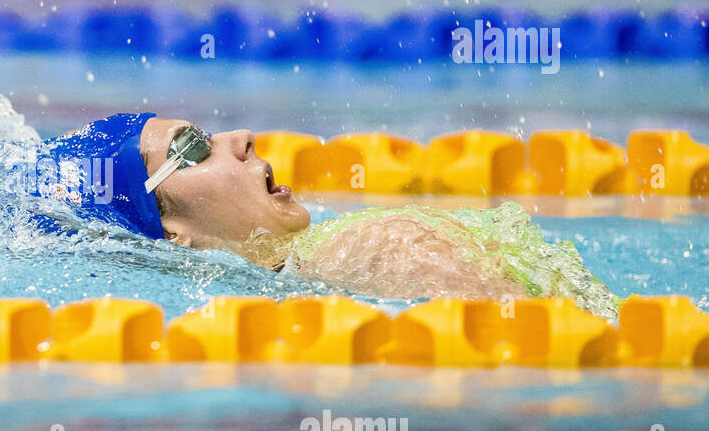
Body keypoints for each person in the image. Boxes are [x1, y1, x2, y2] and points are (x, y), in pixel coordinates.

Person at [36, 112, 619, 318]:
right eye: (191, 149)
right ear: (171, 234)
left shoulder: (380, 248)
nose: (239, 136)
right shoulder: (327, 269)